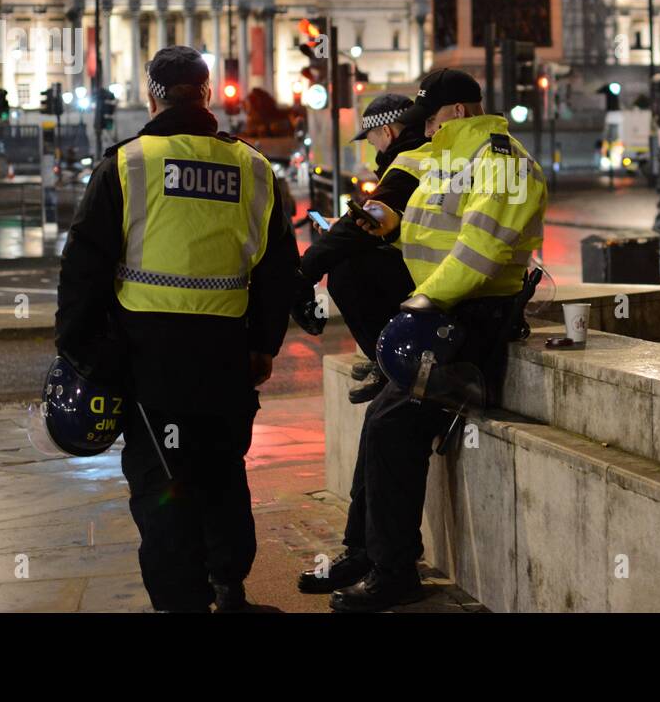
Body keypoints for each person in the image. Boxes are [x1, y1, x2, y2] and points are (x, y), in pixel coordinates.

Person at [56, 45, 297, 613]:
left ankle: (179, 603)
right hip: (226, 353)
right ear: (208, 94)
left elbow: (84, 265)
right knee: (222, 473)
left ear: (153, 95)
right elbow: (277, 268)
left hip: (150, 358)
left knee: (163, 482)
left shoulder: (128, 163)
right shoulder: (254, 166)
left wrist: (81, 351)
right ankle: (229, 587)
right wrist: (263, 345)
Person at [297, 67, 547, 613]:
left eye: (430, 119)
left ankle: (393, 572)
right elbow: (416, 221)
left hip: (472, 318)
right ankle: (366, 552)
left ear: (456, 112)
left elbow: (480, 251)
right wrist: (378, 223)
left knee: (393, 422)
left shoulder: (500, 160)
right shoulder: (447, 158)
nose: (425, 130)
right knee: (384, 416)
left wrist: (422, 305)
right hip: (443, 310)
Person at [291, 93, 429, 404]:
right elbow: (375, 220)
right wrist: (340, 224)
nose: (373, 147)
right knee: (350, 257)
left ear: (388, 132)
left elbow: (364, 225)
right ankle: (384, 354)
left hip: (430, 275)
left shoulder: (408, 162)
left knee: (347, 272)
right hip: (431, 268)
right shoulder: (422, 154)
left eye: (372, 139)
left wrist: (306, 269)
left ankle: (389, 361)